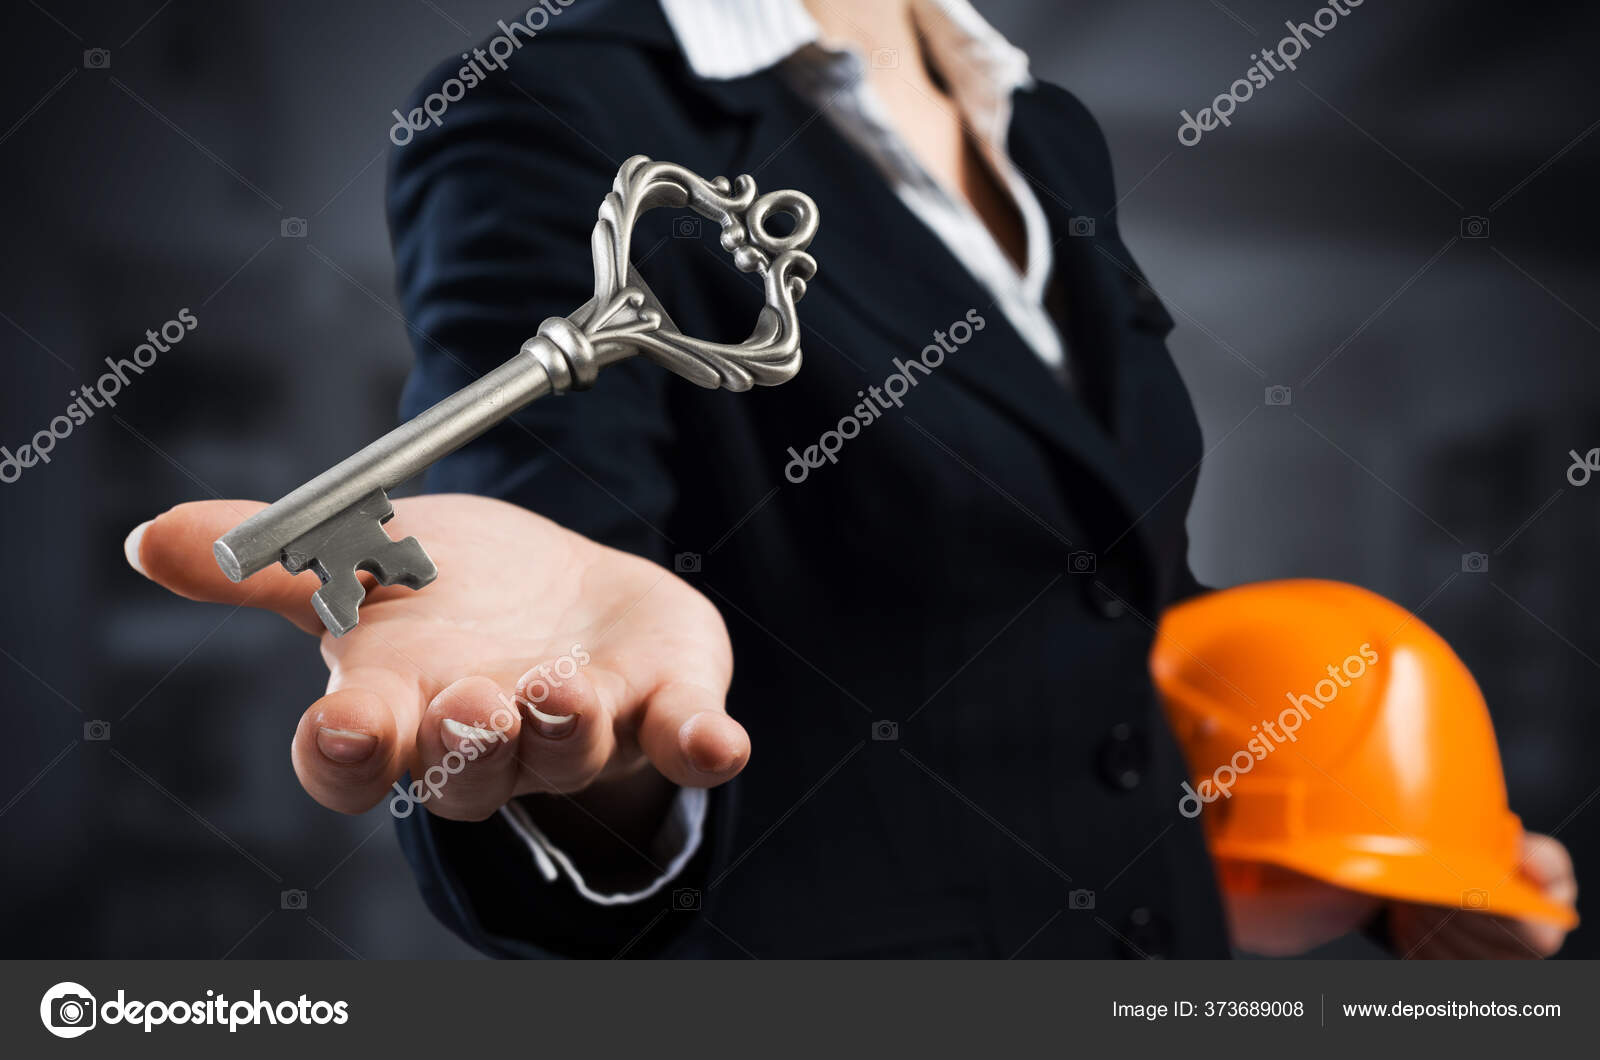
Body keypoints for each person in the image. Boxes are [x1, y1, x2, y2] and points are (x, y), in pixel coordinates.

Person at [123, 0, 1576, 958]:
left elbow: (1100, 593)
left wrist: (1394, 867)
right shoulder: (544, 110)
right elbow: (546, 555)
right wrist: (581, 770)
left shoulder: (1046, 130)